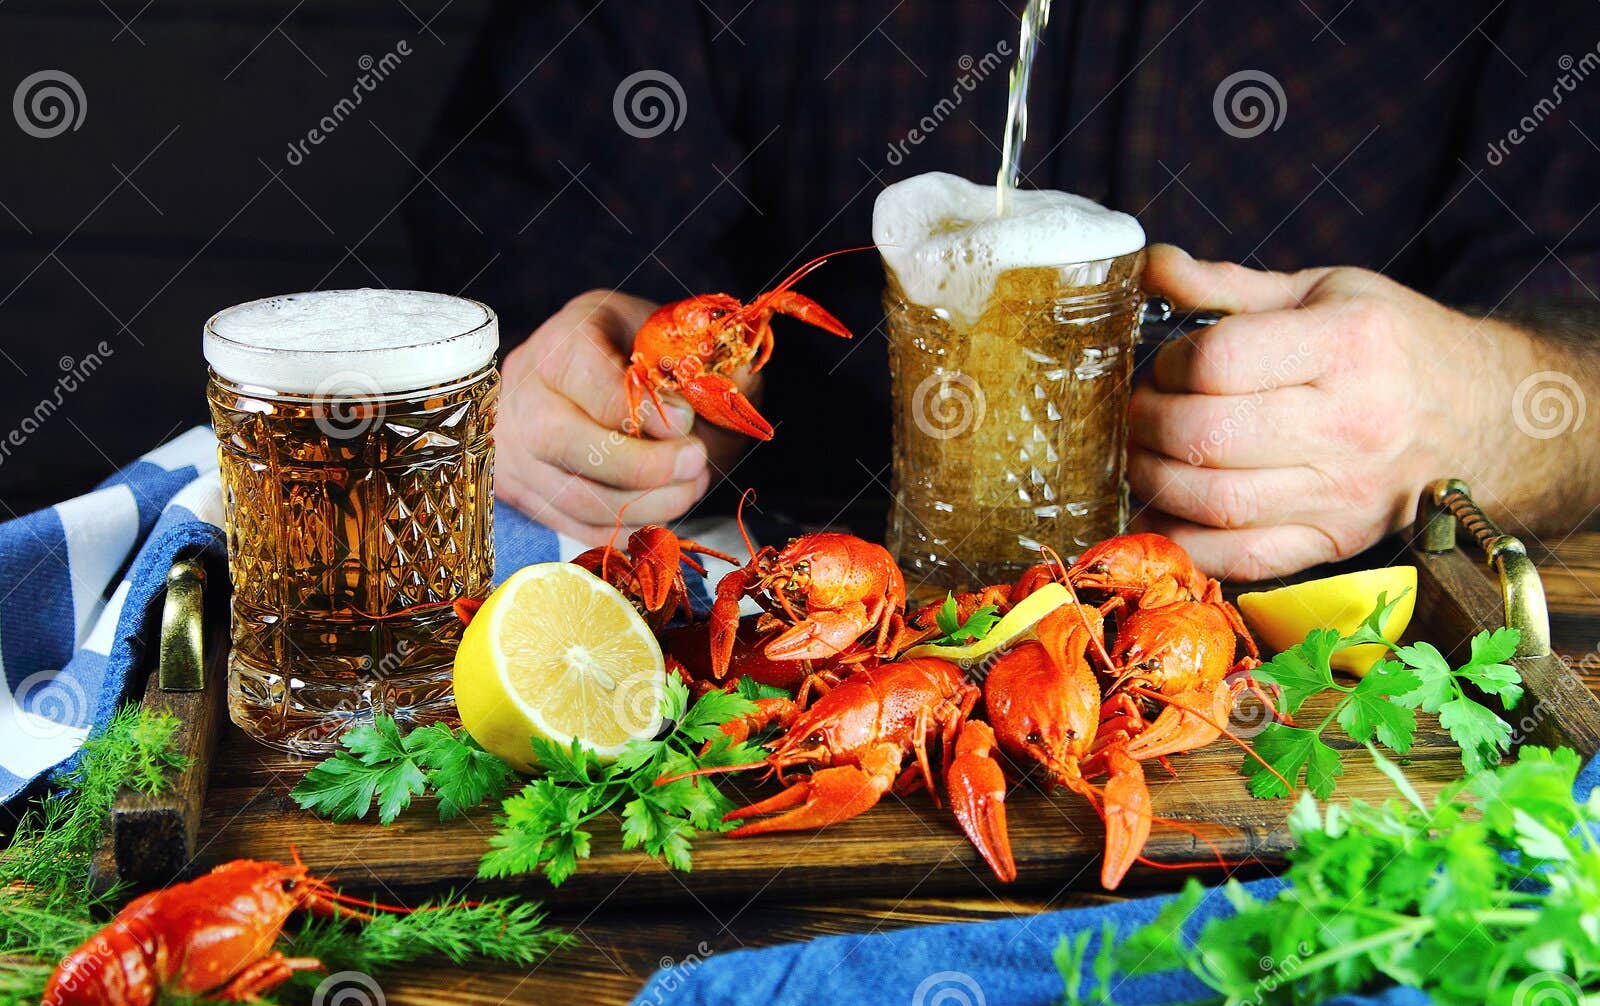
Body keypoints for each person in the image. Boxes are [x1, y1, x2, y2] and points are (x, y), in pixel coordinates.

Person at [409, 1, 1600, 579]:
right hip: (805, 615)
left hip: (1320, 708)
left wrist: (1490, 406)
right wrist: (579, 399)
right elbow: (529, 255)